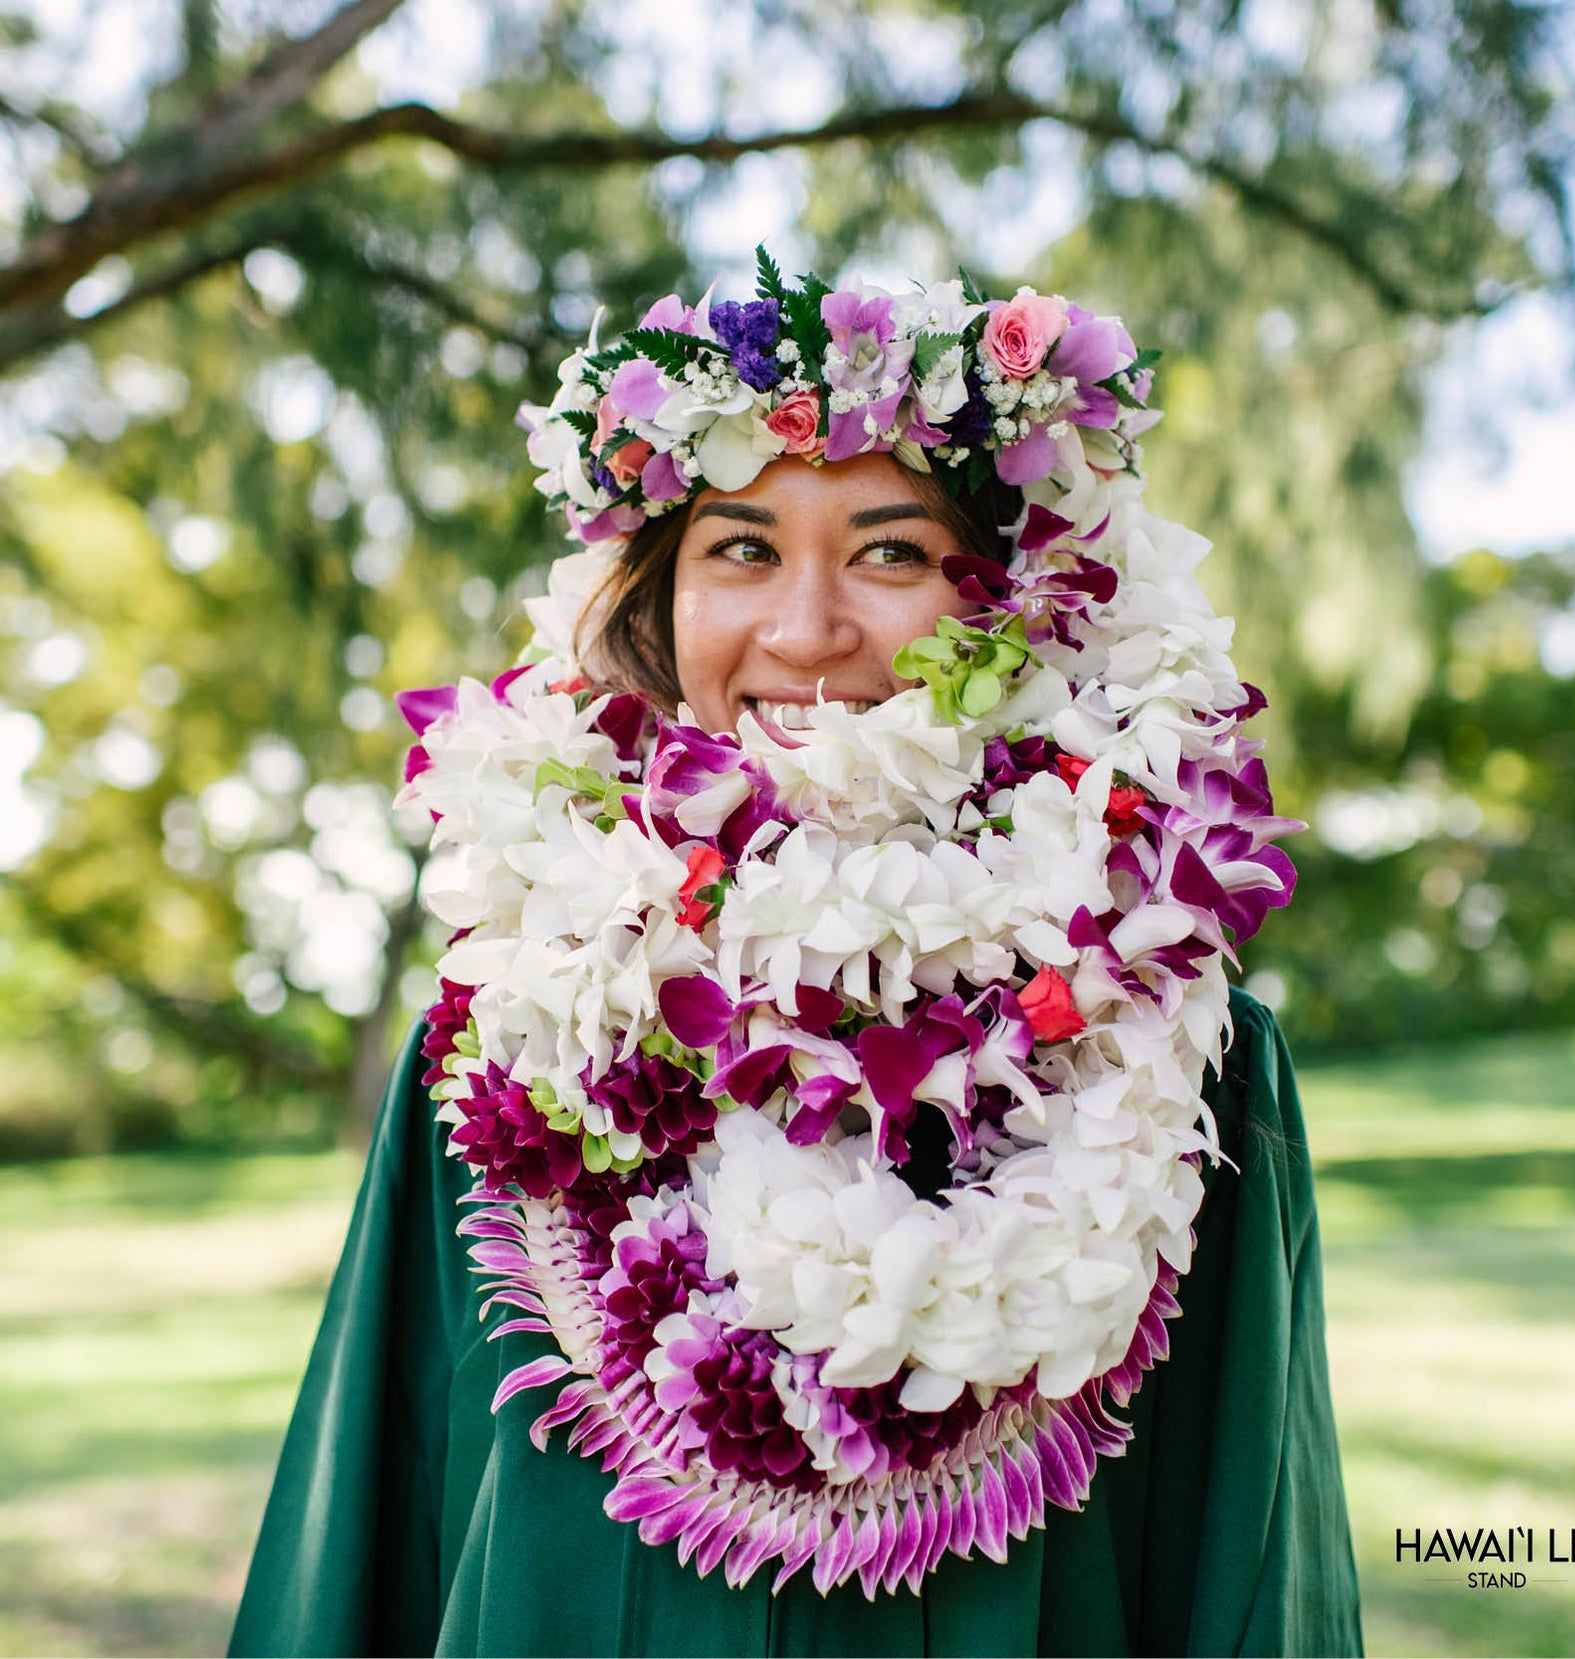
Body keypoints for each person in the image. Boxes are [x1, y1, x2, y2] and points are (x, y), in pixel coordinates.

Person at [230, 259, 1363, 1658]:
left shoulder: (1191, 1066)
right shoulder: (498, 1042)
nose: (810, 631)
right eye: (742, 549)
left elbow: (1250, 1575)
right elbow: (379, 1538)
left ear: (1016, 604)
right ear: (655, 598)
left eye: (892, 553)